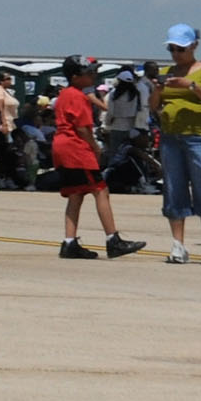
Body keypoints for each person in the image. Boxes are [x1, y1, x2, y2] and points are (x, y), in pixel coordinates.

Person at [150, 24, 201, 265]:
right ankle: (178, 244)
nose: (176, 54)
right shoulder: (167, 71)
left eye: (181, 49)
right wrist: (157, 90)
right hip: (171, 136)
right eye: (172, 49)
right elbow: (153, 106)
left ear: (194, 46)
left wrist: (191, 87)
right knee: (174, 189)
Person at [49, 64, 136, 257]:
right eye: (88, 73)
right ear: (74, 77)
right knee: (100, 190)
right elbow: (82, 128)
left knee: (75, 194)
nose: (93, 75)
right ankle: (112, 239)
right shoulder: (79, 96)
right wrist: (95, 149)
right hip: (76, 148)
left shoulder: (65, 94)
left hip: (61, 147)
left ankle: (69, 242)